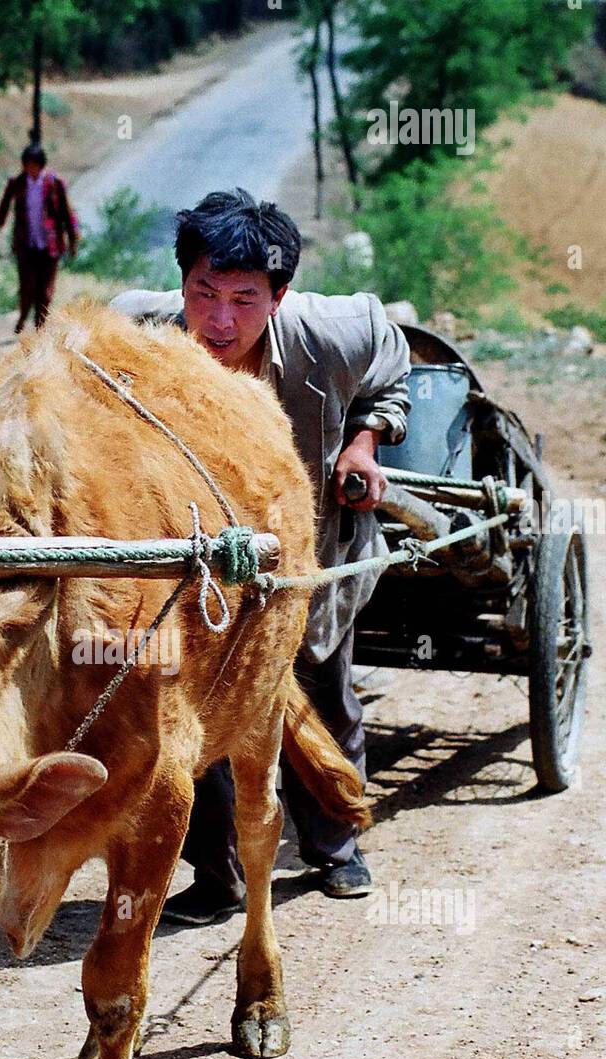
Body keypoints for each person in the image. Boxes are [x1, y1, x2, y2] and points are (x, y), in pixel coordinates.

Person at [110, 188, 411, 919]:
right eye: (202, 293)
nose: (217, 321)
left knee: (319, 683)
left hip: (301, 553)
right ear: (180, 284)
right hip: (195, 564)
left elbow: (394, 368)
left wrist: (363, 440)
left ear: (280, 296)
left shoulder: (339, 333)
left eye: (244, 300)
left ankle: (335, 845)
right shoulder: (137, 330)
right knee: (189, 713)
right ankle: (217, 875)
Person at [0, 144, 79, 332]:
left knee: (46, 291)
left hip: (50, 245)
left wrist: (73, 239)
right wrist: (1, 221)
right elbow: (5, 203)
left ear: (41, 165)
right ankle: (23, 316)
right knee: (27, 286)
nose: (30, 169)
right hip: (26, 244)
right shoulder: (17, 183)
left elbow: (67, 212)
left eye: (34, 165)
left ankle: (39, 326)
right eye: (27, 165)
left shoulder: (55, 183)